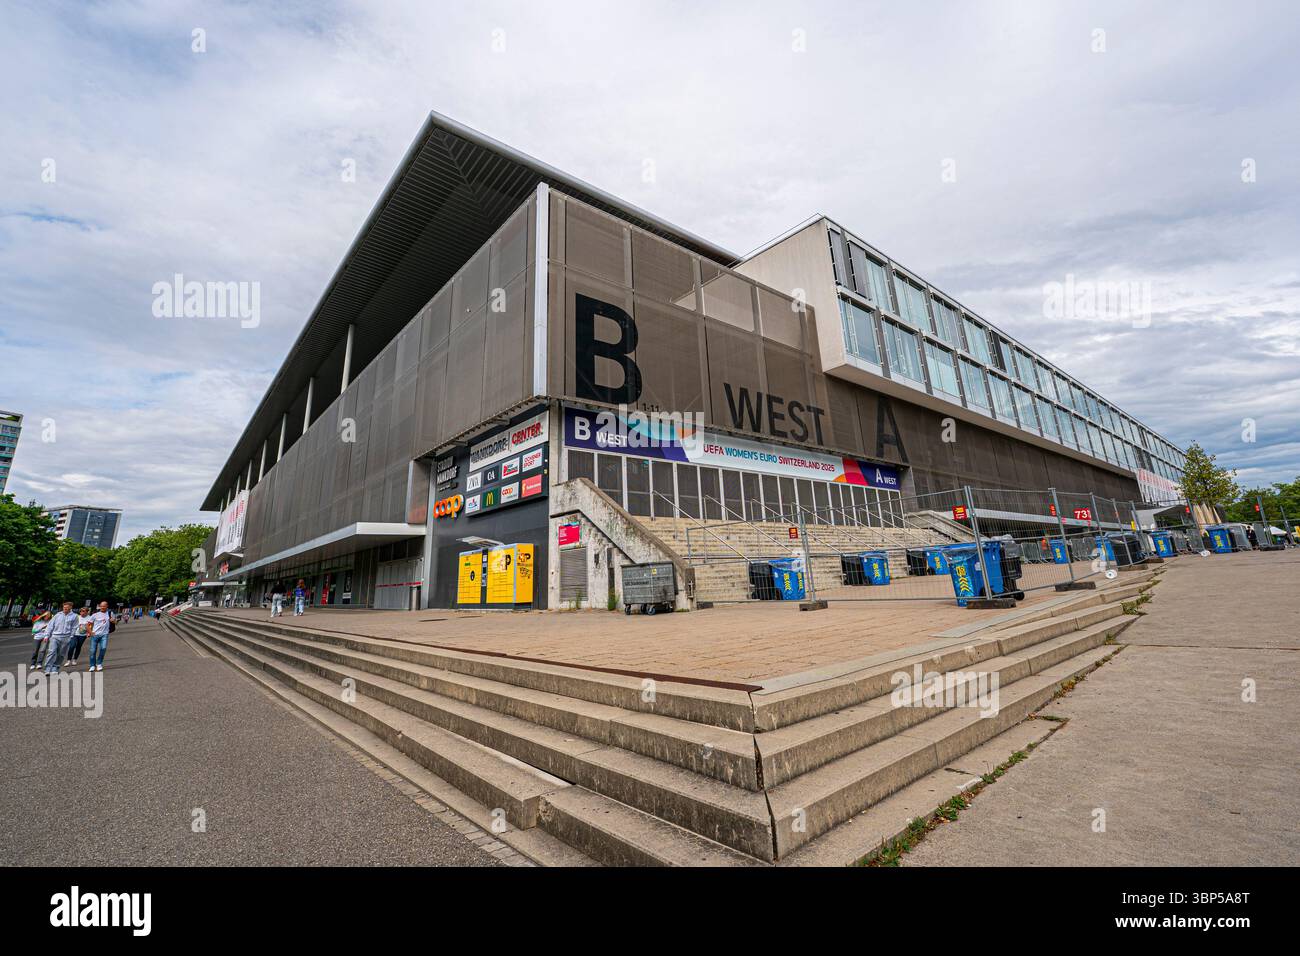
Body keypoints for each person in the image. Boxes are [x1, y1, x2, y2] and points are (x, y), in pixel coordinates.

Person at [43, 602, 80, 674]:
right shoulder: (57, 615)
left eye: (67, 608)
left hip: (66, 637)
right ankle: (47, 669)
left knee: (61, 654)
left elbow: (74, 627)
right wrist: (47, 635)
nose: (65, 609)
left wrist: (71, 636)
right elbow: (50, 625)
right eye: (64, 608)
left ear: (70, 608)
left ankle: (55, 668)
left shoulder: (74, 616)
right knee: (51, 652)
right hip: (55, 636)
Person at [87, 600, 113, 672]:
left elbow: (115, 622)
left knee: (103, 648)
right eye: (101, 606)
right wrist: (90, 632)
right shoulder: (95, 614)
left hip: (104, 634)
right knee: (93, 650)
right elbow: (88, 624)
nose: (102, 607)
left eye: (104, 606)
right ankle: (92, 665)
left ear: (107, 606)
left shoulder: (110, 613)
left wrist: (113, 620)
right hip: (95, 635)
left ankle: (99, 664)